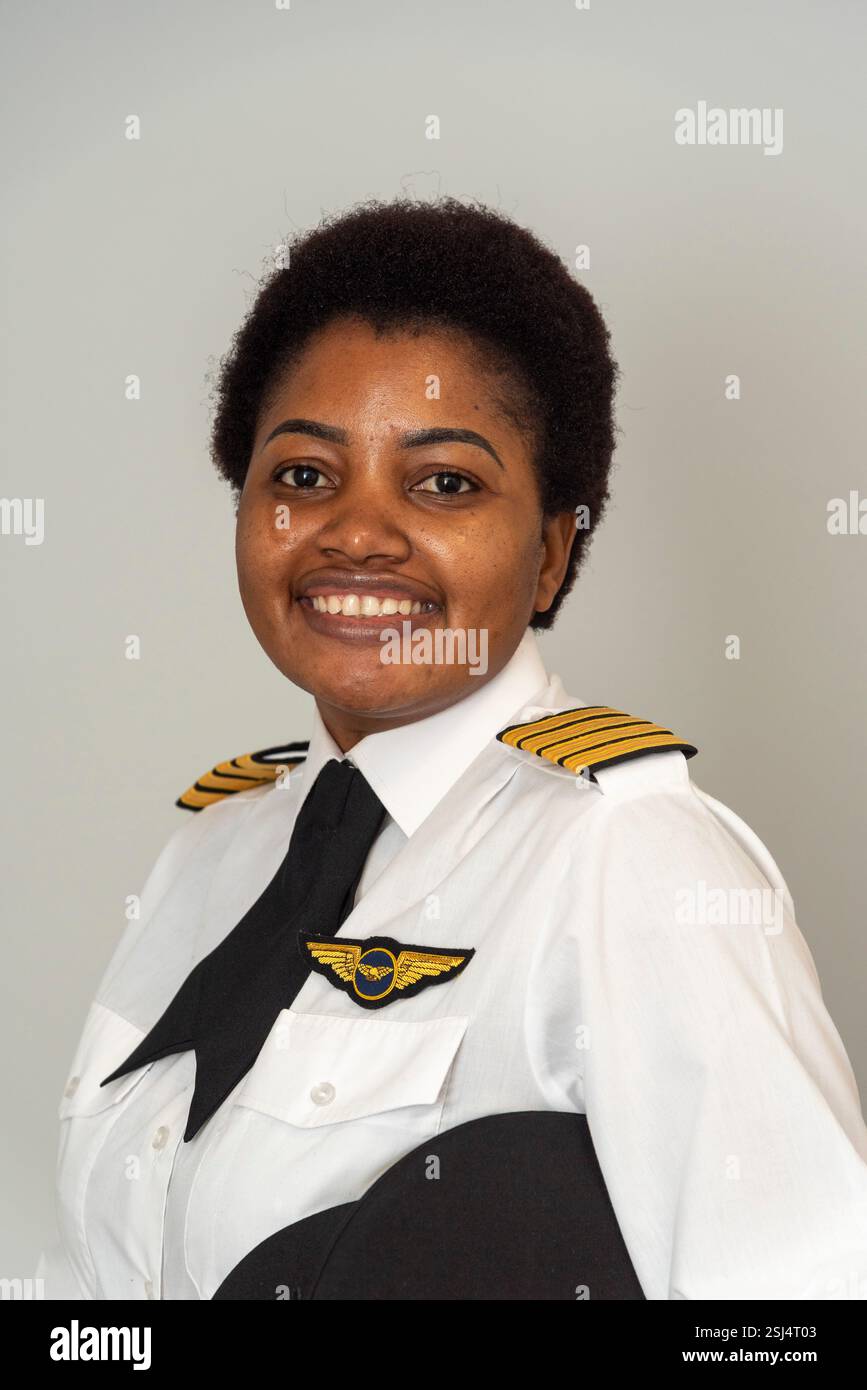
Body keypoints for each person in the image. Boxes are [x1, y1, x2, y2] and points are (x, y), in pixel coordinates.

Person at [38, 197, 867, 1301]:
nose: (357, 532)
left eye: (444, 483)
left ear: (550, 556)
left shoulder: (632, 857)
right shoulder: (216, 849)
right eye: (301, 475)